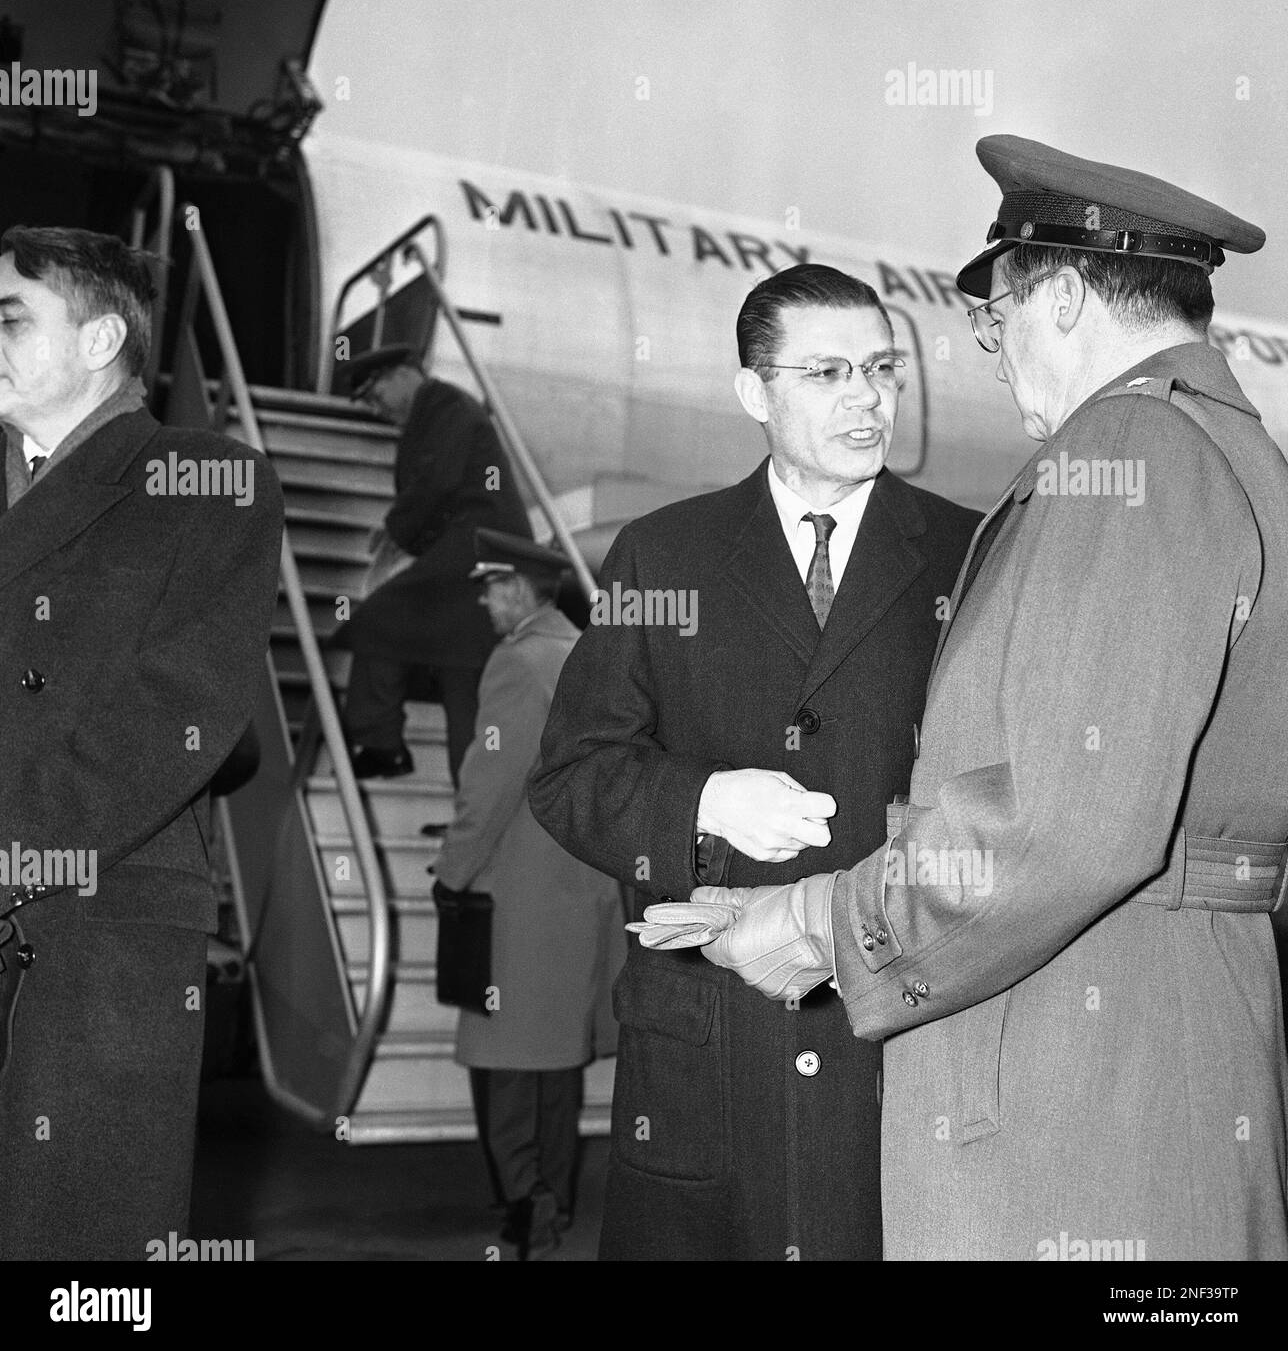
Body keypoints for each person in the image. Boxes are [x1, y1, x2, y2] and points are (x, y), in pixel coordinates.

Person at [668, 136, 1288, 1260]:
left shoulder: (1134, 449)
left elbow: (1066, 820)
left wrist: (821, 923)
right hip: (1156, 1041)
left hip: (1084, 1076)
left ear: (1056, 296)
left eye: (994, 323)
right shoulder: (1225, 446)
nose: (995, 360)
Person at [529, 264, 979, 1260]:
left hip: (890, 1035)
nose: (865, 398)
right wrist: (702, 800)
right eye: (826, 372)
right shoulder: (662, 555)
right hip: (711, 1044)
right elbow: (570, 775)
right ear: (752, 392)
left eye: (881, 368)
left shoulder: (968, 555)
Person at [0, 225, 283, 1260]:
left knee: (77, 1244)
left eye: (11, 317)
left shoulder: (209, 481)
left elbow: (179, 711)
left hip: (96, 921)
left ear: (99, 336)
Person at [433, 528, 624, 1260]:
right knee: (554, 1063)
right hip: (583, 889)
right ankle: (553, 1200)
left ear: (518, 589)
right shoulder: (586, 654)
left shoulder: (517, 663)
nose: (484, 600)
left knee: (506, 1062)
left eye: (490, 586)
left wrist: (451, 874)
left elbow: (490, 785)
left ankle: (526, 1208)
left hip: (518, 898)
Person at [334, 345, 533, 783]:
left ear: (404, 373)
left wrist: (393, 533)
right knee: (463, 681)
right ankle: (470, 810)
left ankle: (381, 744)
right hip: (484, 561)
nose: (374, 407)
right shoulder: (439, 412)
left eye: (374, 392)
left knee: (378, 620)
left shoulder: (444, 404)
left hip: (479, 554)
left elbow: (437, 482)